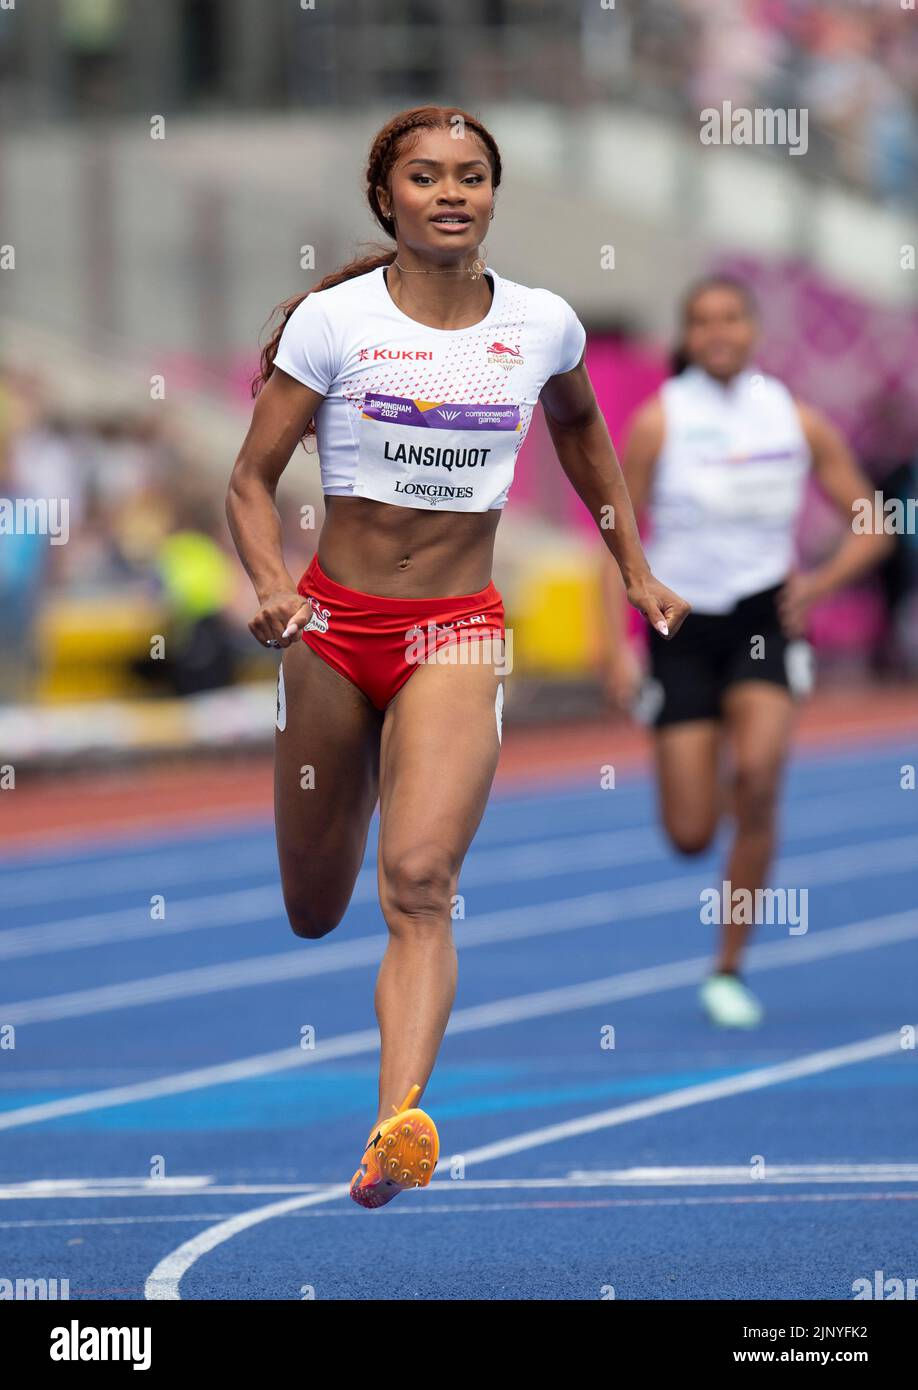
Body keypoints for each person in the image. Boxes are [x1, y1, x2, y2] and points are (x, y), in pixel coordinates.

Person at [226, 105, 689, 1209]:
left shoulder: (540, 326)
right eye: (425, 176)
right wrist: (276, 588)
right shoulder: (333, 325)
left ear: (493, 195)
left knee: (423, 880)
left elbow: (581, 431)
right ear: (385, 197)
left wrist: (631, 564)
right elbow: (250, 478)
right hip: (332, 631)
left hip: (457, 631)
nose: (450, 192)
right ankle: (352, 788)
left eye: (471, 176)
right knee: (313, 905)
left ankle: (396, 1125)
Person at [602, 275, 892, 1028]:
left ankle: (729, 966)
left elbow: (875, 523)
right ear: (688, 336)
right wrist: (614, 646)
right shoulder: (660, 421)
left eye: (732, 319)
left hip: (765, 618)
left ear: (754, 330)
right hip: (682, 627)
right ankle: (710, 785)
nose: (719, 333)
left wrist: (818, 585)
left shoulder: (794, 418)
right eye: (703, 322)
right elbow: (616, 537)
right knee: (691, 832)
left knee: (760, 775)